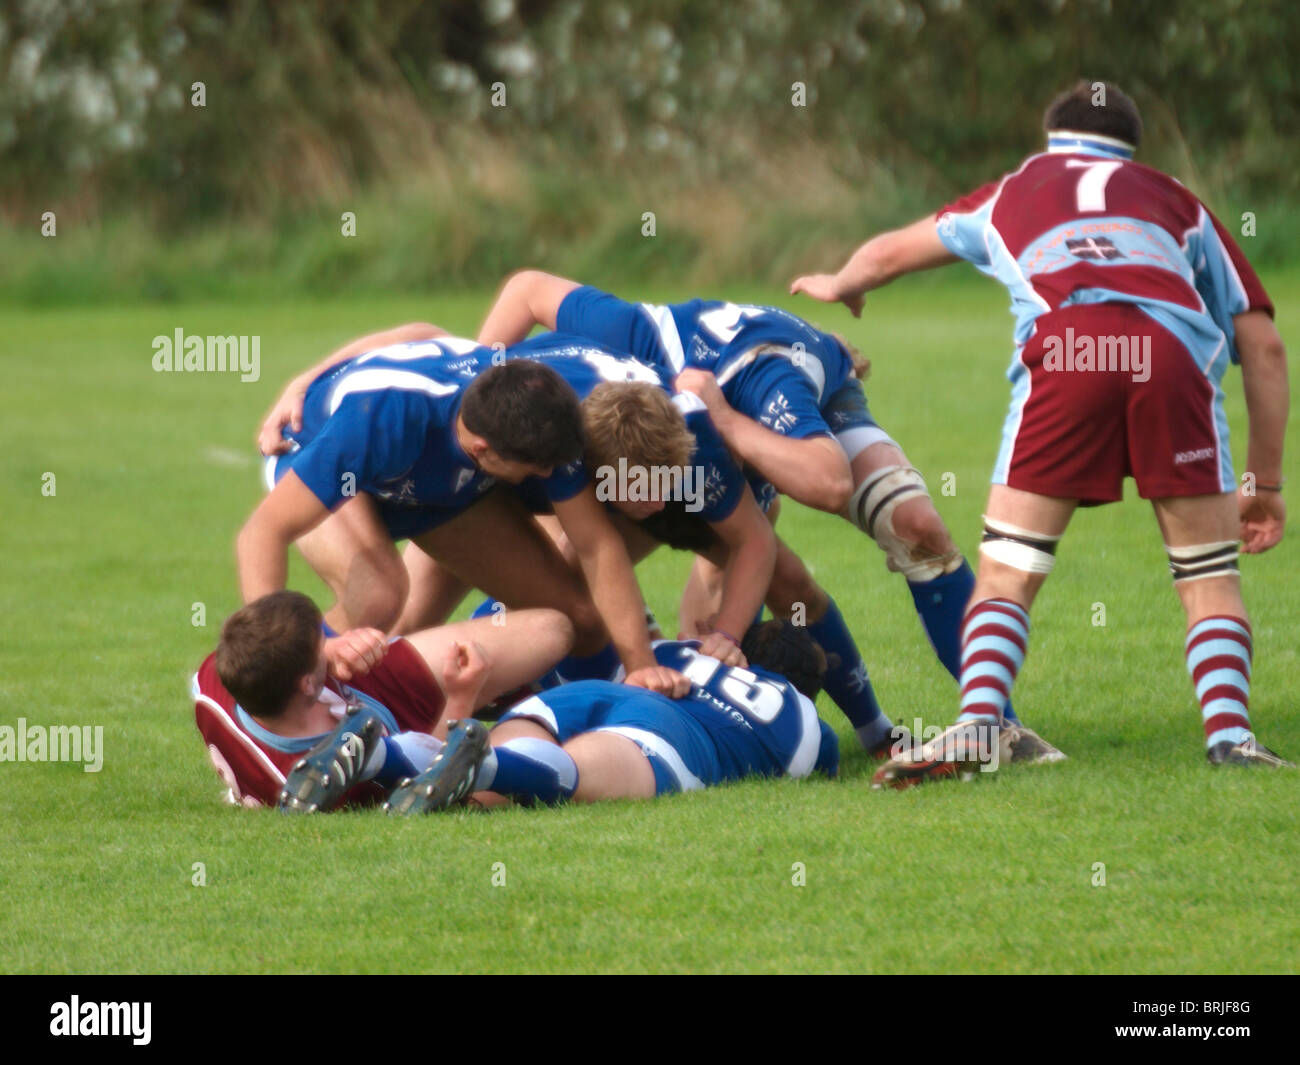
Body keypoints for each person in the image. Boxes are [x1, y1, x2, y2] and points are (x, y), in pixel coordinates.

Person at [790, 79, 1292, 783]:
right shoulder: (1175, 196)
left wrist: (843, 281)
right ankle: (1233, 736)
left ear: (1050, 138)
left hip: (1070, 350)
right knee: (1207, 573)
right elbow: (1264, 347)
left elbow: (892, 253)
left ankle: (978, 724)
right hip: (1171, 353)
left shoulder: (1014, 189)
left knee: (1008, 570)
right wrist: (1264, 483)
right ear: (1129, 148)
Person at [474, 270, 1059, 759]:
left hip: (771, 409)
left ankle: (961, 726)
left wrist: (726, 421)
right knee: (571, 561)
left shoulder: (763, 385)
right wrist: (484, 384)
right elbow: (527, 288)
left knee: (902, 535)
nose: (650, 504)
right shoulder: (627, 337)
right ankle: (504, 685)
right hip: (665, 437)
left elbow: (830, 484)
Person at [246, 328, 687, 696]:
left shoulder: (541, 417)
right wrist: (270, 645)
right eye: (538, 470)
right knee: (378, 594)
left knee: (581, 622)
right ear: (484, 451)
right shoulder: (383, 419)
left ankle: (422, 708)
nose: (553, 476)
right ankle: (264, 690)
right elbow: (262, 532)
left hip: (435, 490)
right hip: (325, 459)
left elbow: (595, 545)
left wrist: (640, 665)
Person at [383, 620, 840, 814]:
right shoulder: (804, 718)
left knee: (480, 804)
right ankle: (481, 768)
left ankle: (381, 754)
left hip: (597, 694)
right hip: (671, 733)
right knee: (561, 773)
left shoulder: (677, 651)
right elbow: (827, 763)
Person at [191, 590, 575, 809]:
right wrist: (461, 697)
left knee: (552, 631)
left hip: (372, 692)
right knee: (519, 767)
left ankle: (502, 690)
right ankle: (508, 703)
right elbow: (436, 776)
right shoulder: (330, 778)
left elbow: (204, 681)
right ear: (306, 684)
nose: (328, 641)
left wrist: (336, 650)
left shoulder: (222, 672)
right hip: (415, 742)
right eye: (320, 643)